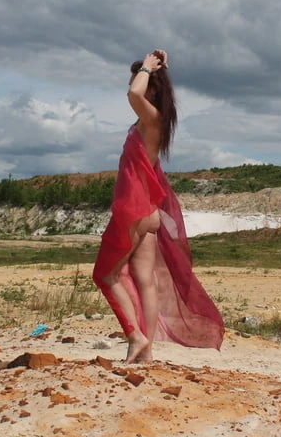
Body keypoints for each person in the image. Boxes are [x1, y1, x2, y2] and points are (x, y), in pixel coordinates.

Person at [92, 49, 224, 363]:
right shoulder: (153, 123)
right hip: (148, 212)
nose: (132, 83)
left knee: (105, 276)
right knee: (145, 282)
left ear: (152, 89)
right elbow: (137, 91)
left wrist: (147, 67)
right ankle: (146, 352)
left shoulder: (152, 119)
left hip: (133, 210)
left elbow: (134, 93)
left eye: (138, 78)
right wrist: (154, 66)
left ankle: (135, 336)